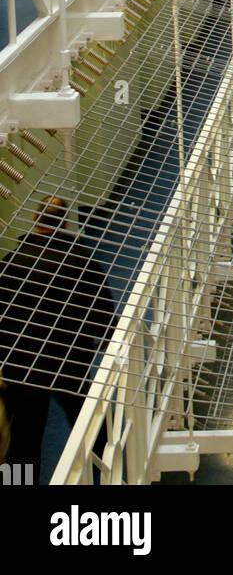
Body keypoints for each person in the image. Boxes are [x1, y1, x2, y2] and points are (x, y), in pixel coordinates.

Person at [0, 196, 115, 484]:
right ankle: (111, 463)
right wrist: (104, 337)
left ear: (35, 221)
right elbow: (101, 309)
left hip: (22, 365)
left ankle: (16, 484)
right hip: (69, 360)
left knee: (23, 440)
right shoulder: (81, 261)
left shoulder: (11, 262)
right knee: (89, 420)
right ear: (64, 223)